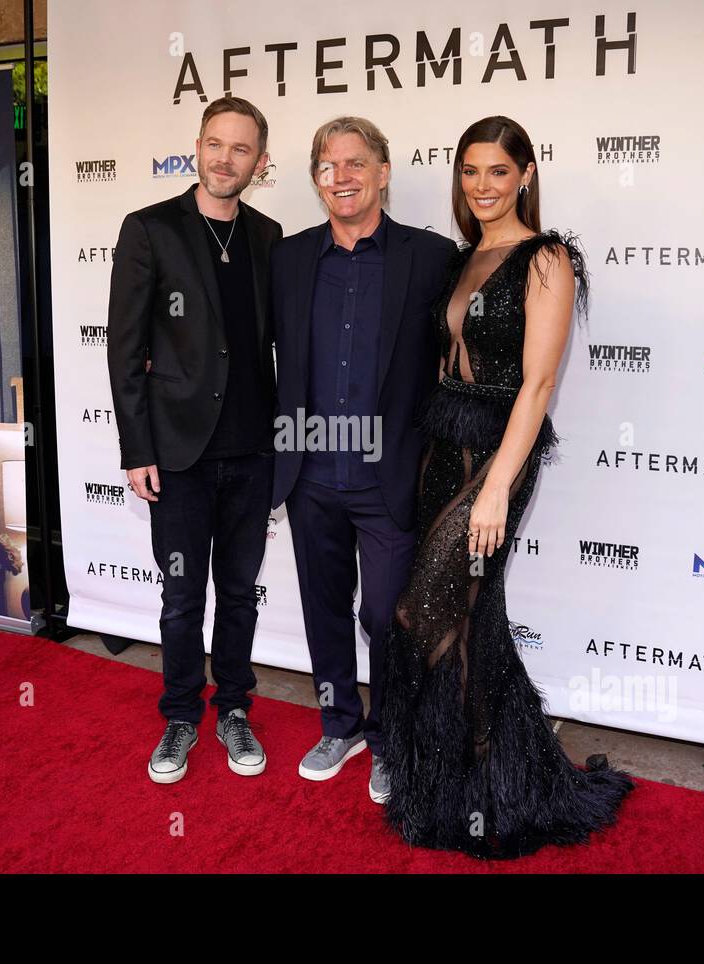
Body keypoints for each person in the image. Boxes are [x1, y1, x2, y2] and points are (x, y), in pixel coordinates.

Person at [374, 116, 636, 859]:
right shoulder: (463, 257)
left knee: (419, 610)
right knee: (466, 617)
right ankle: (488, 787)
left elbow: (540, 382)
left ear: (525, 173)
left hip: (496, 455)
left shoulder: (546, 258)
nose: (481, 186)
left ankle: (489, 784)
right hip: (439, 447)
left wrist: (497, 490)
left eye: (496, 171)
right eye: (468, 171)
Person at [270, 117, 457, 800]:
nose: (340, 177)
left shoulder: (432, 258)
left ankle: (387, 735)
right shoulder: (288, 260)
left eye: (355, 163)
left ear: (383, 172)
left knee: (384, 612)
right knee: (323, 606)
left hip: (390, 478)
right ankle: (338, 722)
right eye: (326, 165)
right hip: (310, 472)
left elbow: (461, 360)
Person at [107, 97, 283, 783]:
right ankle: (181, 717)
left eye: (240, 149)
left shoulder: (269, 237)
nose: (224, 159)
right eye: (215, 144)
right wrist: (136, 448)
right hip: (177, 455)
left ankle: (234, 709)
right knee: (183, 598)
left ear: (258, 163)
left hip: (253, 454)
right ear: (197, 146)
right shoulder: (150, 230)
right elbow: (124, 350)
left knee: (238, 594)